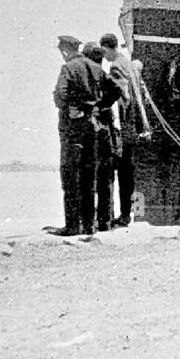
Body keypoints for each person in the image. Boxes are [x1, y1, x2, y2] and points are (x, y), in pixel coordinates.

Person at [49, 36, 103, 236]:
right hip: (92, 126)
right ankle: (89, 225)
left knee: (71, 176)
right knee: (89, 177)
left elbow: (62, 94)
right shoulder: (96, 67)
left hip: (72, 129)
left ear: (64, 50)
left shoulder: (68, 68)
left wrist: (72, 107)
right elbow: (112, 90)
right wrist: (95, 107)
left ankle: (72, 225)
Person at [99, 33, 152, 228]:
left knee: (116, 171)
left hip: (123, 128)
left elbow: (123, 96)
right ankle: (126, 214)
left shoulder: (116, 66)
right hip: (134, 127)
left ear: (107, 48)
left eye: (104, 51)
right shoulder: (129, 64)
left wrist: (103, 107)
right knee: (127, 172)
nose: (103, 56)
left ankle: (119, 215)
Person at [82, 42, 123, 232]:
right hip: (107, 129)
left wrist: (96, 106)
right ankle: (105, 220)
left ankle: (90, 221)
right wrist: (104, 105)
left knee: (91, 176)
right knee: (106, 178)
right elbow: (117, 91)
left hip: (95, 130)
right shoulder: (103, 74)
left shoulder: (89, 74)